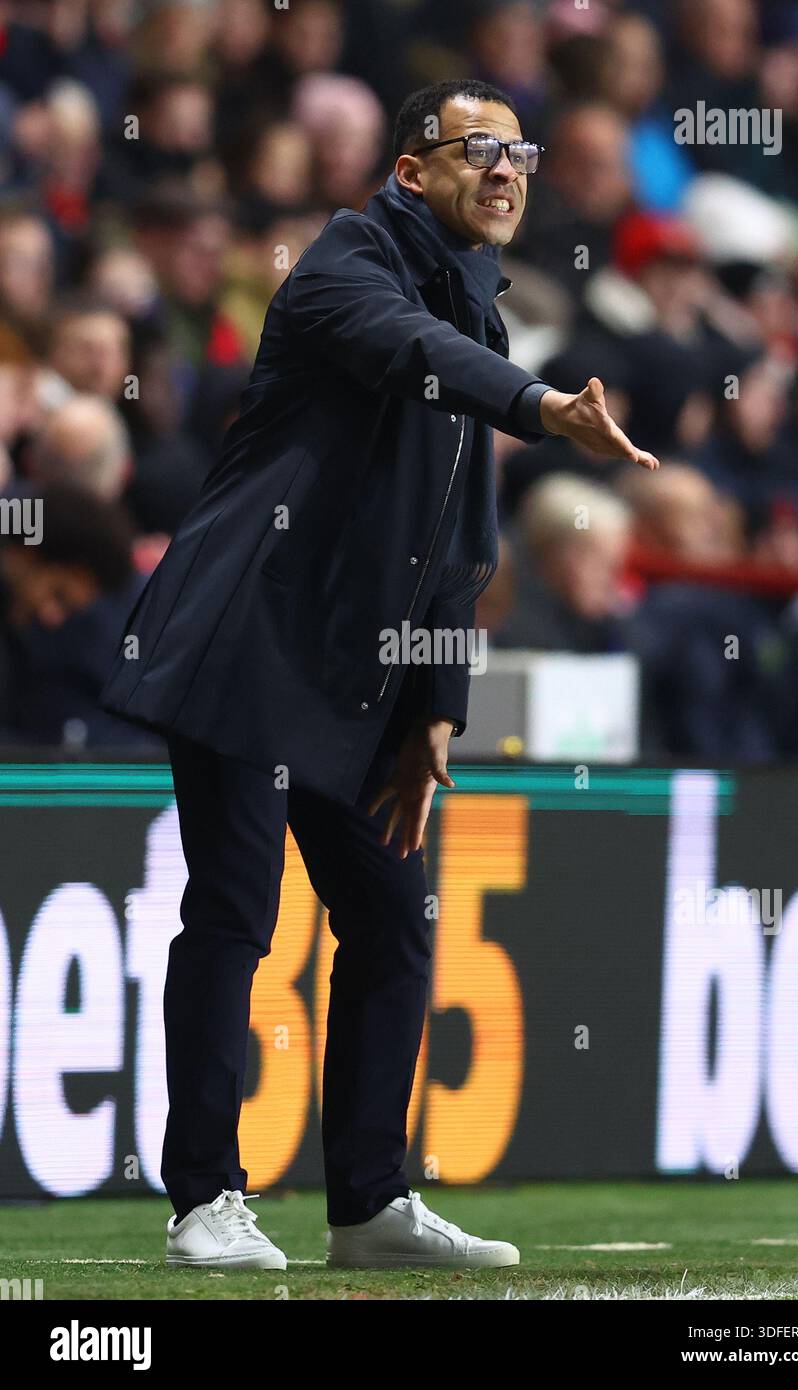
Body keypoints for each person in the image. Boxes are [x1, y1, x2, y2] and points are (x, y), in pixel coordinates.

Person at [99, 78, 658, 1271]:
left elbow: (459, 544)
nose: (508, 170)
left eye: (521, 152)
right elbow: (413, 353)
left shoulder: (481, 315)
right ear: (411, 168)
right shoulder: (346, 264)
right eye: (480, 151)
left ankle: (368, 1204)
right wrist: (543, 406)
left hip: (357, 682)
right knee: (235, 914)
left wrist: (438, 712)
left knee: (396, 925)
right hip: (247, 641)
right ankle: (204, 1196)